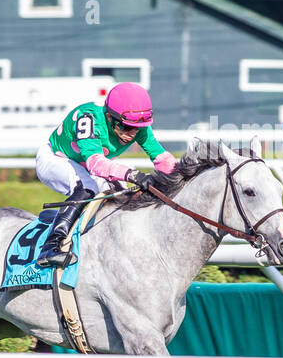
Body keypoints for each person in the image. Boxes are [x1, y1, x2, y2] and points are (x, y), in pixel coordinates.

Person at [34, 81, 178, 268]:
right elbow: (95, 163)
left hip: (85, 164)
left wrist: (187, 175)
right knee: (88, 188)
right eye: (126, 127)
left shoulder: (138, 125)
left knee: (125, 191)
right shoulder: (89, 119)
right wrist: (133, 175)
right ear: (110, 117)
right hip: (55, 159)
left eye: (136, 129)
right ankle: (51, 246)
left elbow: (162, 159)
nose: (132, 134)